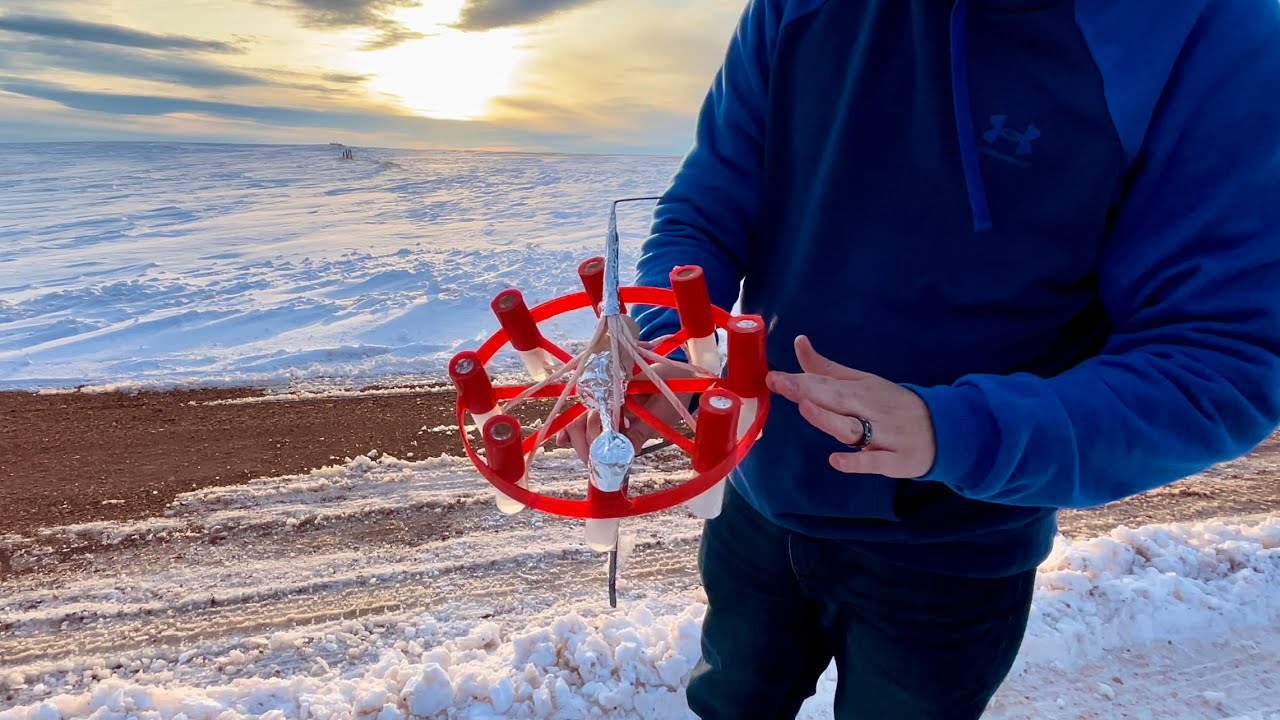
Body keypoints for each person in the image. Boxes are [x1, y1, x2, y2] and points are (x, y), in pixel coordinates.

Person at [562, 0, 1280, 717]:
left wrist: (958, 430)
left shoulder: (1211, 28)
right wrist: (655, 344)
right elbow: (710, 201)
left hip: (955, 542)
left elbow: (1221, 358)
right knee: (730, 702)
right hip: (754, 498)